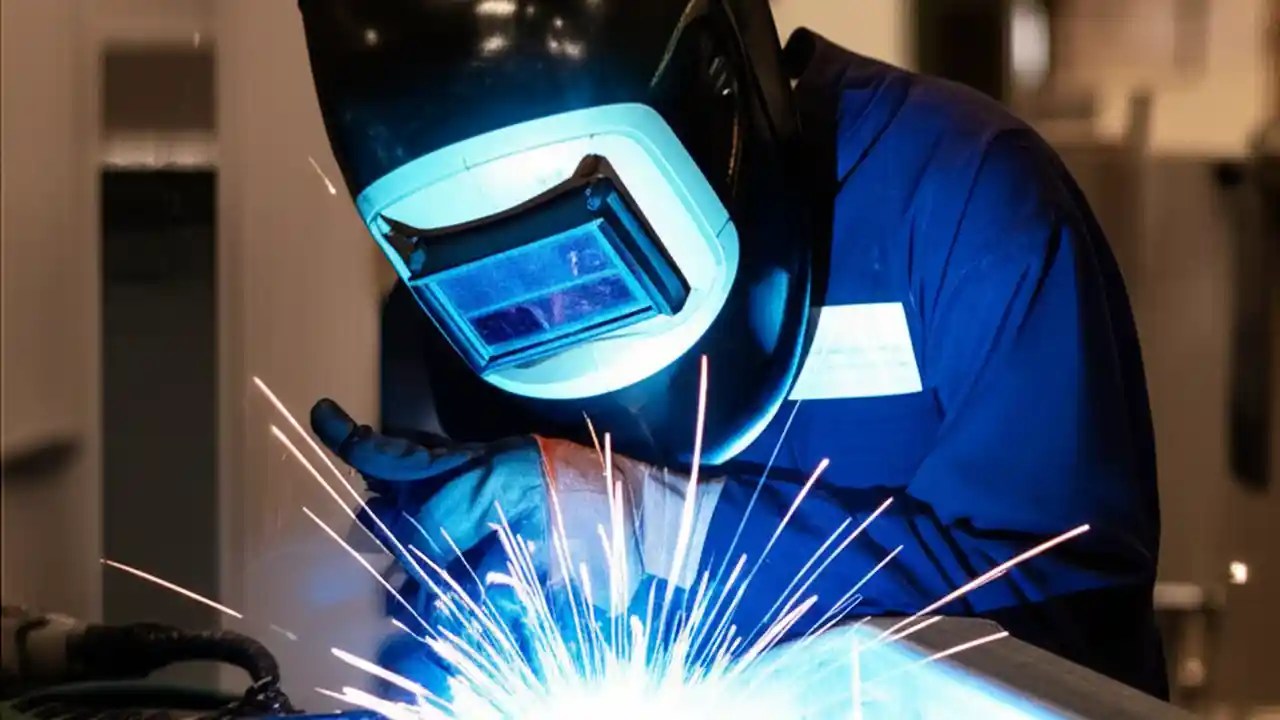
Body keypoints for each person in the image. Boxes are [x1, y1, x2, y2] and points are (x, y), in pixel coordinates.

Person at [297, 0, 1167, 700]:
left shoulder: (962, 201)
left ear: (712, 84)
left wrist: (653, 528)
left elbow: (1067, 629)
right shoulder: (451, 305)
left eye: (582, 257)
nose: (558, 304)